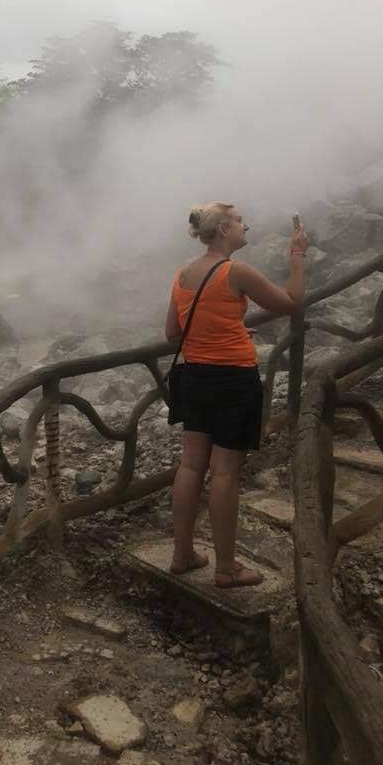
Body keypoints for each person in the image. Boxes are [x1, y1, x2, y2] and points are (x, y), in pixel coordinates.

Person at [165, 201, 309, 588]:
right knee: (225, 472)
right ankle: (226, 569)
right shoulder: (236, 271)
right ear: (225, 230)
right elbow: (292, 302)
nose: (247, 227)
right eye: (241, 222)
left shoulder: (183, 274)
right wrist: (296, 254)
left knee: (191, 466)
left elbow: (173, 335)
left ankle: (182, 554)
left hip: (194, 377)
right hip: (233, 380)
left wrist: (222, 331)